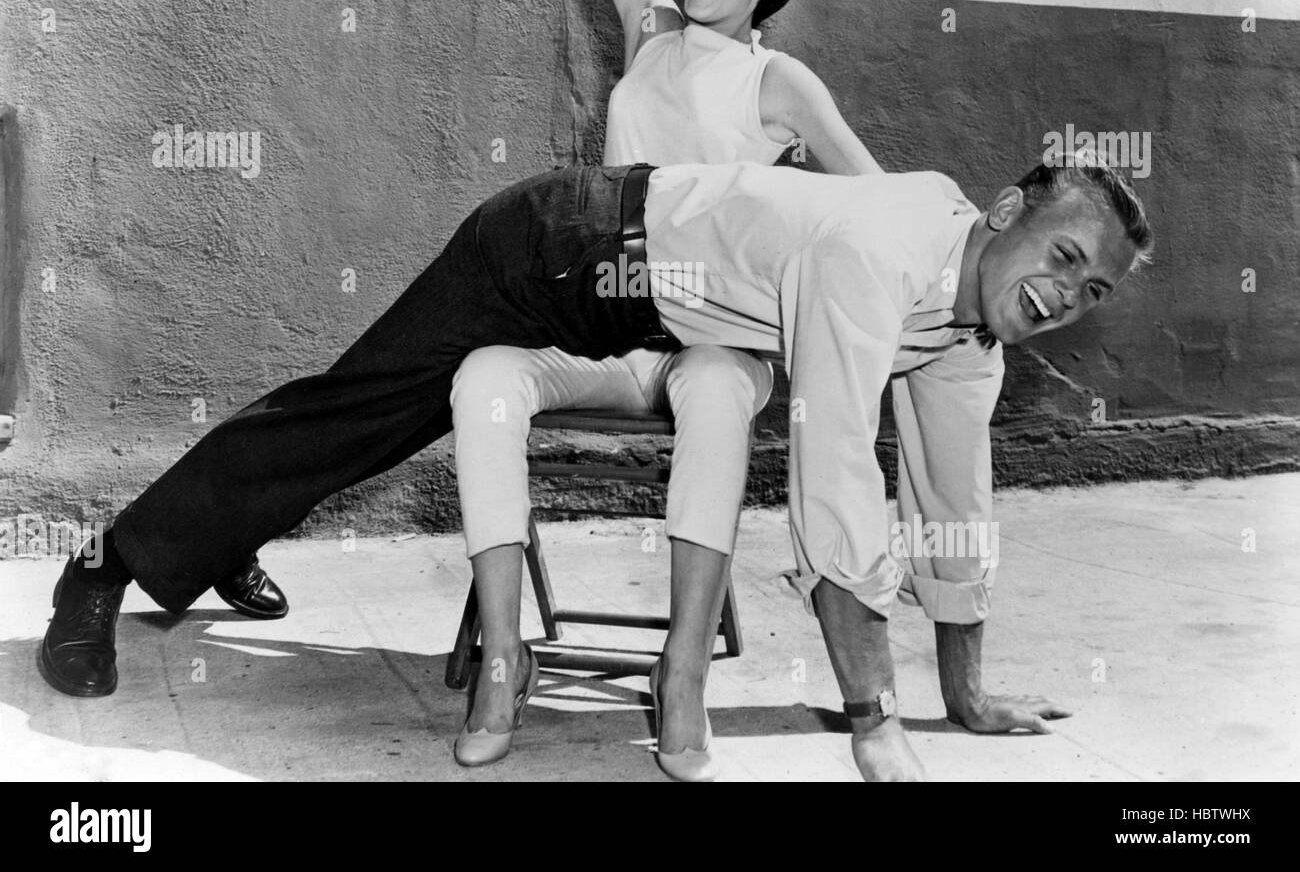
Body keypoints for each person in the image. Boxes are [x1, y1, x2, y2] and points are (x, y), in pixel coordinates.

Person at [40, 154, 1152, 783]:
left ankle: (217, 537)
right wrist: (875, 723)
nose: (1065, 292)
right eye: (1063, 255)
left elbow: (953, 500)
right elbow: (835, 490)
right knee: (363, 414)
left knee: (361, 423)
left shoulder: (971, 336)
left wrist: (963, 693)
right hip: (566, 247)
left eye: (1091, 289)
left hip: (653, 307)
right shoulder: (882, 250)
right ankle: (98, 568)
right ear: (1007, 213)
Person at [449, 0, 886, 780]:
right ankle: (503, 658)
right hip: (606, 326)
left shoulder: (781, 85)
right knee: (483, 376)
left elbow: (873, 204)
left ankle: (679, 672)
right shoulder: (646, 34)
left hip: (713, 338)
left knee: (724, 396)